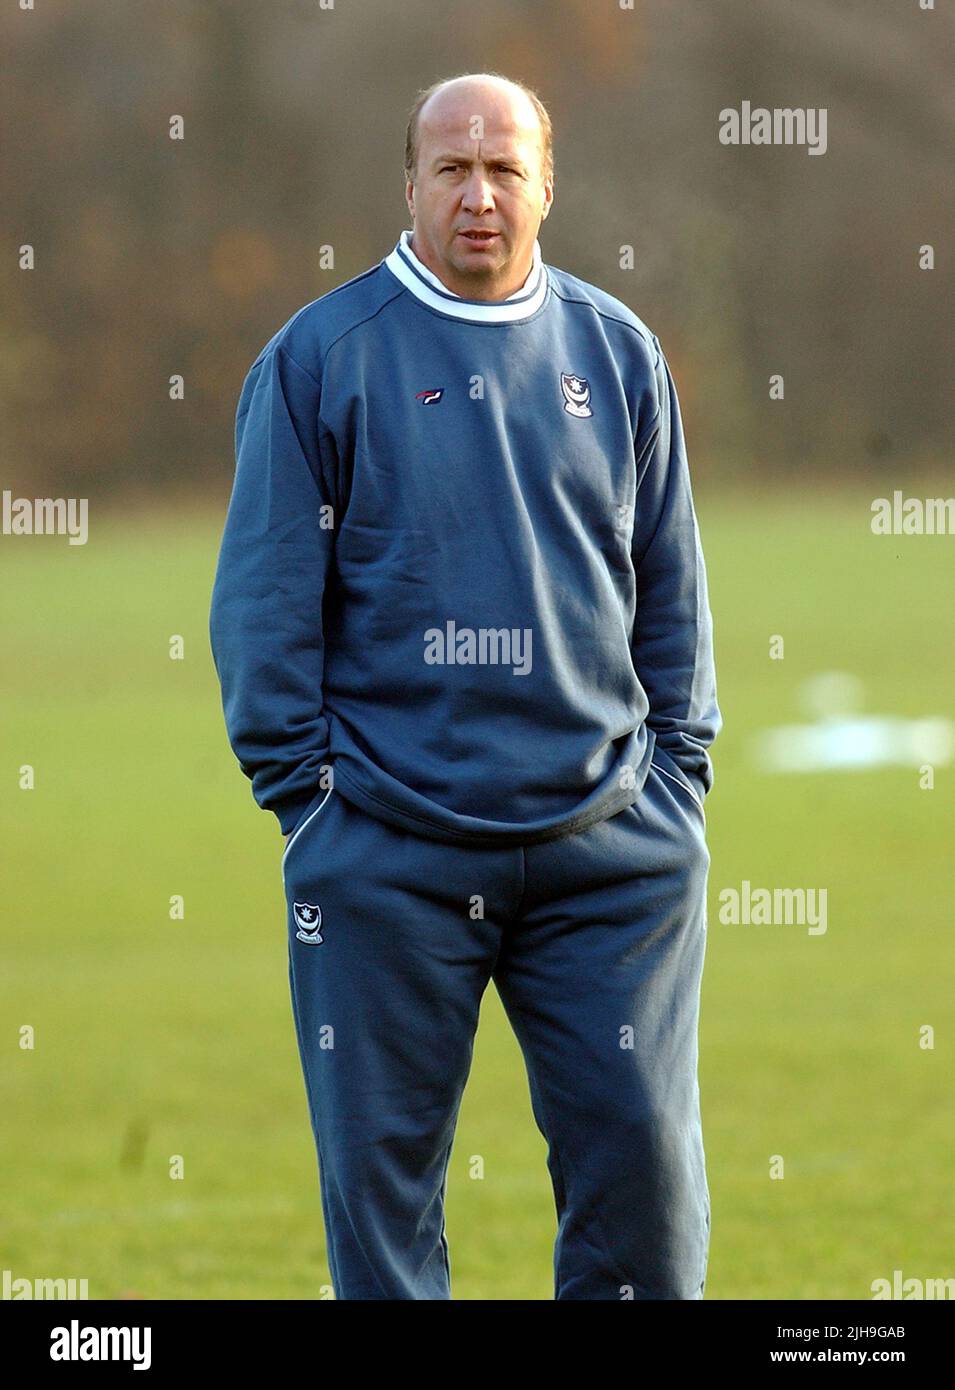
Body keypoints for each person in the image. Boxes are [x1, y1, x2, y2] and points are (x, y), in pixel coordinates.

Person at [209, 71, 722, 1301]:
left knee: (645, 1196)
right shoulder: (321, 356)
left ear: (548, 185)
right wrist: (317, 805)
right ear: (409, 186)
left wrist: (675, 790)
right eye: (452, 168)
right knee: (383, 1217)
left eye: (504, 168)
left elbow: (672, 596)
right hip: (388, 858)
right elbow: (263, 610)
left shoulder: (618, 351)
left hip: (607, 857)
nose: (479, 195)